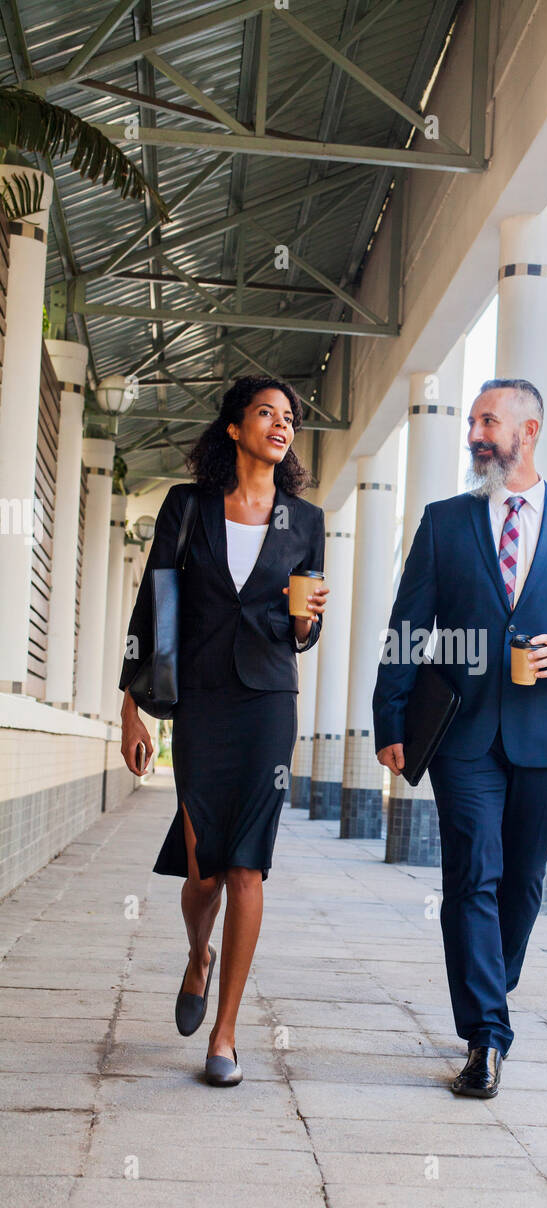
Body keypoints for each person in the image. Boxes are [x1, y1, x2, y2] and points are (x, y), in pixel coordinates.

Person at [373, 378, 547, 1098]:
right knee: (472, 876)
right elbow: (407, 627)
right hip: (462, 734)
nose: (474, 434)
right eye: (472, 421)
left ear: (529, 430)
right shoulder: (444, 522)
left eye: (489, 421)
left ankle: (494, 986)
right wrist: (390, 719)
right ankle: (486, 1035)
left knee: (522, 881)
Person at [118, 376, 328, 1087]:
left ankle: (227, 1032)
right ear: (235, 428)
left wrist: (307, 617)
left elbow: (305, 630)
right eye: (265, 412)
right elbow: (155, 603)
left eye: (289, 417)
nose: (281, 423)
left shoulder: (305, 521)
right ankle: (197, 954)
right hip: (203, 700)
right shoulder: (189, 507)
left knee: (247, 864)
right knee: (204, 867)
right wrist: (131, 707)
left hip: (268, 697)